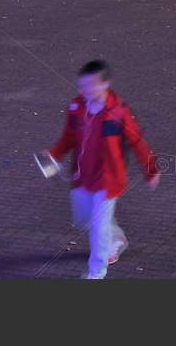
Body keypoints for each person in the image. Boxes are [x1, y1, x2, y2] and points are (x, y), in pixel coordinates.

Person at [40, 59, 161, 280]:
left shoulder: (119, 113)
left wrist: (151, 170)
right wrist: (54, 154)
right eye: (82, 85)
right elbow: (69, 137)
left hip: (108, 181)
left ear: (105, 84)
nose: (84, 90)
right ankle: (115, 240)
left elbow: (137, 142)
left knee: (98, 227)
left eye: (90, 85)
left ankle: (97, 271)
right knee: (84, 219)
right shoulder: (77, 108)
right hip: (82, 177)